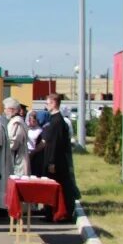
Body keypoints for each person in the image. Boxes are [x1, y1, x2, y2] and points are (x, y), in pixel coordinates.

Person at [41, 93, 78, 222]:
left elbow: (55, 143)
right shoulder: (55, 119)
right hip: (55, 159)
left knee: (56, 187)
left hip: (55, 161)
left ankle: (57, 213)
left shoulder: (57, 121)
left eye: (47, 103)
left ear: (53, 103)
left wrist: (51, 162)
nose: (46, 105)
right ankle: (52, 212)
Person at [2, 97, 30, 178]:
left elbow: (14, 144)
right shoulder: (13, 121)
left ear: (12, 109)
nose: (4, 111)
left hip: (18, 160)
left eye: (5, 109)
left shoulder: (16, 122)